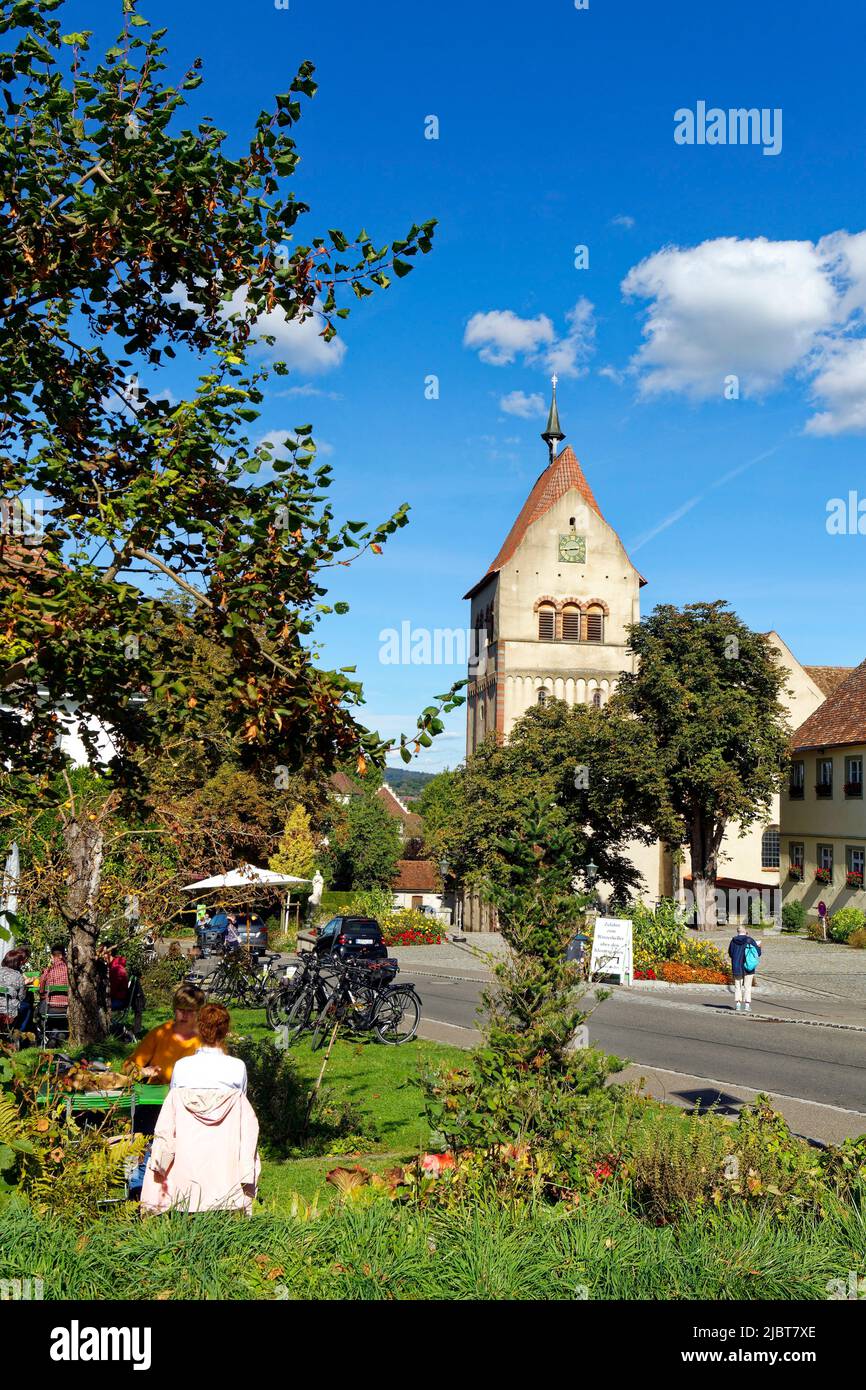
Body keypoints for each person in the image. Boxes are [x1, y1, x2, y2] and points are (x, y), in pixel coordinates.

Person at [140, 1003, 259, 1215]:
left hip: (187, 1160)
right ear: (226, 1031)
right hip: (225, 1159)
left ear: (199, 1028)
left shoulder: (183, 1067)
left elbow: (172, 1113)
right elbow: (240, 1111)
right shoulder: (237, 1067)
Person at [128, 982, 205, 1083]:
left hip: (193, 1094)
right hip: (156, 1093)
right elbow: (128, 1066)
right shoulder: (160, 1033)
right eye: (180, 1010)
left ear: (199, 1012)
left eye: (190, 1011)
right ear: (174, 1009)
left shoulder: (207, 1037)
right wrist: (142, 1072)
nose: (184, 1015)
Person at [728, 923, 762, 1013]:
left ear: (737, 932)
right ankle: (747, 1005)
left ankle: (738, 1004)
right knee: (747, 986)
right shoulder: (750, 940)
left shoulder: (733, 941)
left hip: (737, 966)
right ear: (746, 931)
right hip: (748, 967)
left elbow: (730, 953)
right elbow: (757, 953)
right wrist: (759, 947)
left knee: (737, 986)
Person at [0, 948, 30, 1032]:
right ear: (16, 962)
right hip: (9, 1010)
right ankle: (19, 1032)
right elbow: (21, 997)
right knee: (27, 1006)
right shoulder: (18, 976)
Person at [106, 944, 129, 1011]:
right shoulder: (111, 966)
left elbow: (113, 988)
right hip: (115, 998)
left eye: (102, 953)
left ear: (109, 952)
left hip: (118, 1000)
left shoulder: (117, 968)